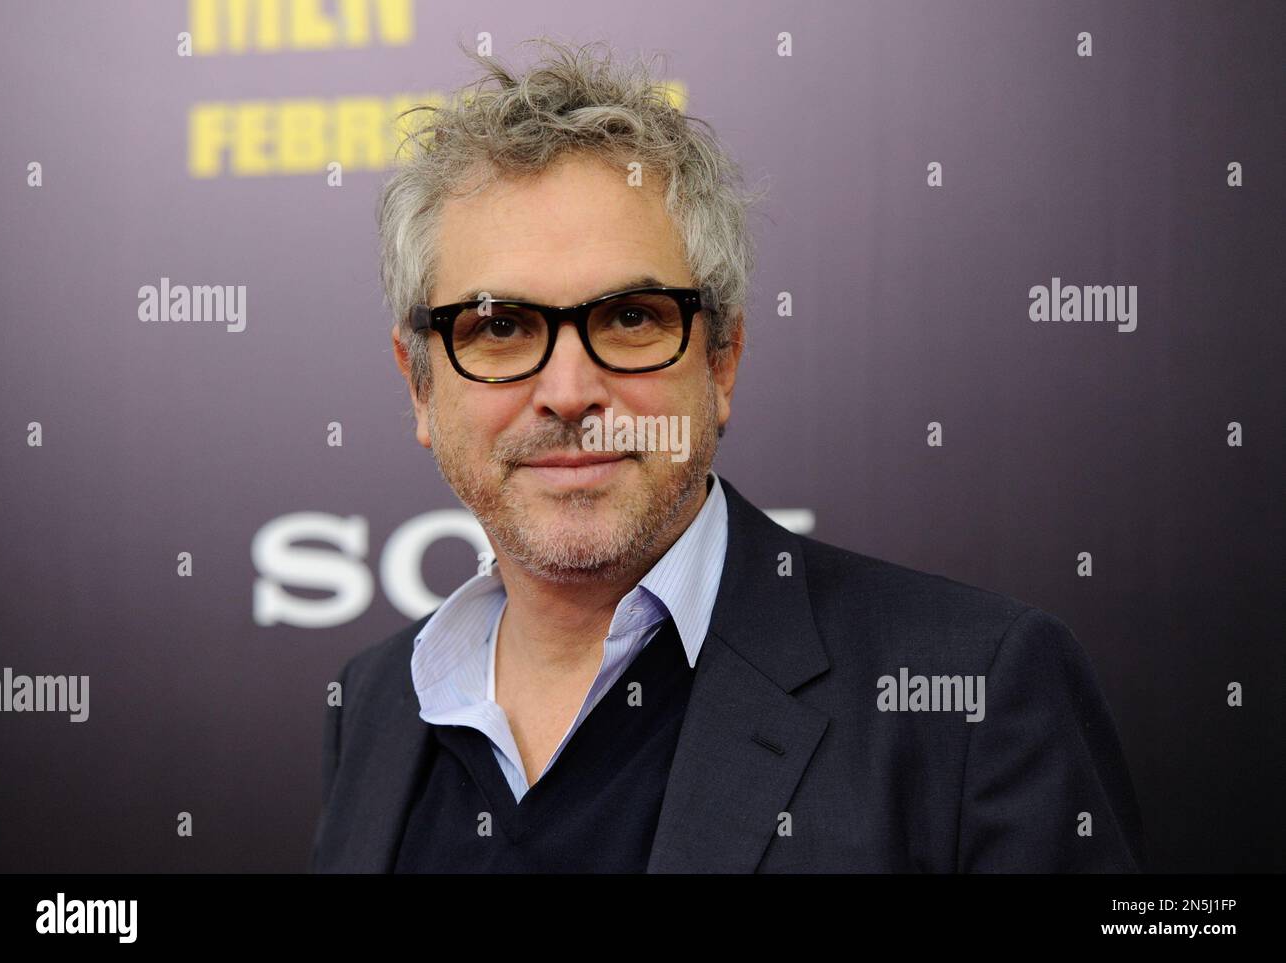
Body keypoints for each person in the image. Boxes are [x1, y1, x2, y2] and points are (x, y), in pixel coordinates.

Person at [310, 38, 1144, 873]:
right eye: (499, 327)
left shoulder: (975, 692)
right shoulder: (378, 702)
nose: (568, 391)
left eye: (631, 318)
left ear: (723, 361)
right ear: (419, 385)